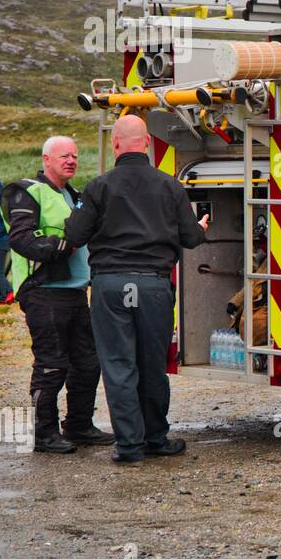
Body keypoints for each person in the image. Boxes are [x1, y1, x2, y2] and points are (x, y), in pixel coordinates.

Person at [65, 115, 209, 464]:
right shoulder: (170, 186)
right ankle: (155, 439)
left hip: (111, 286)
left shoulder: (98, 187)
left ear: (115, 144)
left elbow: (74, 236)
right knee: (151, 365)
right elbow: (191, 237)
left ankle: (129, 446)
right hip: (153, 285)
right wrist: (202, 225)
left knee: (118, 365)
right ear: (146, 143)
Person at [3, 137, 115, 454]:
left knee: (88, 363)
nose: (71, 160)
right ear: (46, 159)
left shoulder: (73, 195)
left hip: (76, 291)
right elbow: (21, 238)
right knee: (52, 363)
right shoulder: (28, 192)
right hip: (44, 291)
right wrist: (63, 247)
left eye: (75, 156)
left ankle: (79, 425)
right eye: (64, 155)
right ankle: (44, 433)